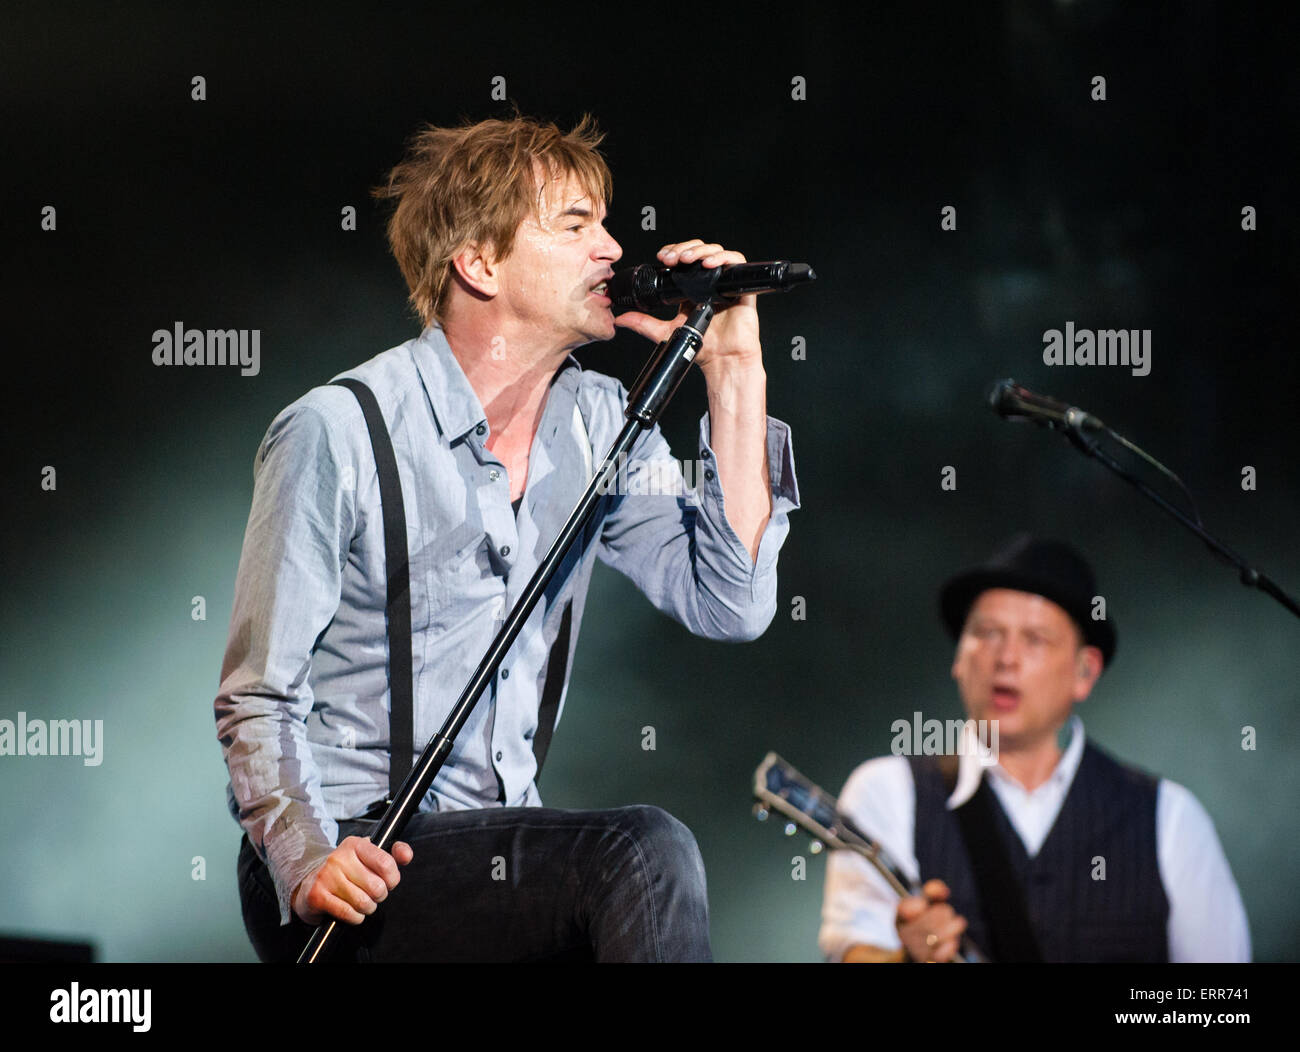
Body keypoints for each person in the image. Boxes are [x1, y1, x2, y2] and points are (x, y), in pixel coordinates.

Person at [214, 114, 800, 962]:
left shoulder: (601, 422)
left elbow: (731, 602)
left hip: (490, 861)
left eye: (606, 223)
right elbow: (257, 694)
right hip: (353, 857)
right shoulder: (339, 429)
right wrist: (308, 861)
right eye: (575, 226)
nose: (612, 249)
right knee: (641, 853)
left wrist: (734, 370)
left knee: (632, 874)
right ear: (479, 263)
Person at [819, 534, 1250, 963]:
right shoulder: (888, 791)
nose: (1006, 657)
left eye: (1035, 639)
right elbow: (852, 950)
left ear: (1085, 672)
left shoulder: (1168, 817)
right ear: (958, 658)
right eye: (987, 633)